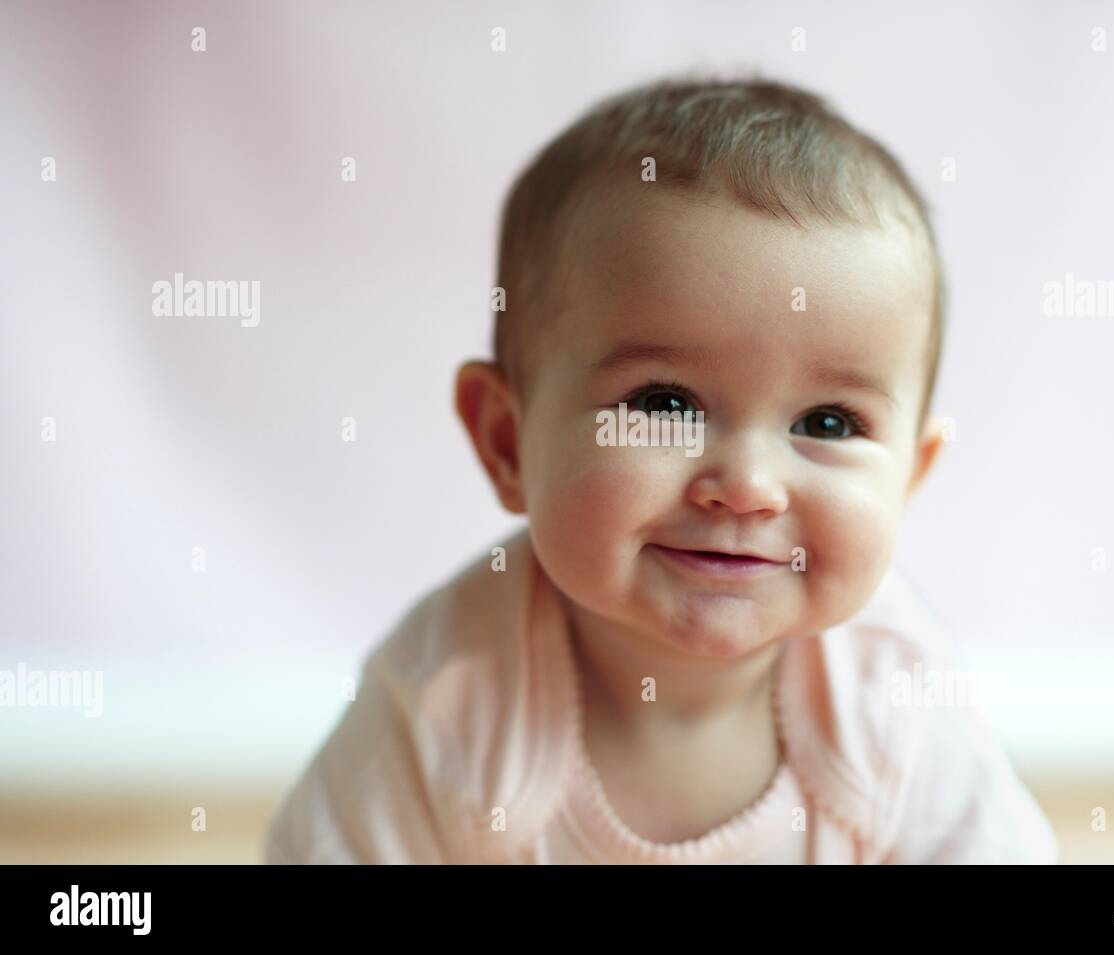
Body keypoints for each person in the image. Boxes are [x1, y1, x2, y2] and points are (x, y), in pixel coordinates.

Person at [263, 76, 1059, 864]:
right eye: (665, 404)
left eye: (827, 422)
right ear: (507, 441)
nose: (747, 484)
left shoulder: (893, 694)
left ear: (908, 480)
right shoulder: (445, 703)